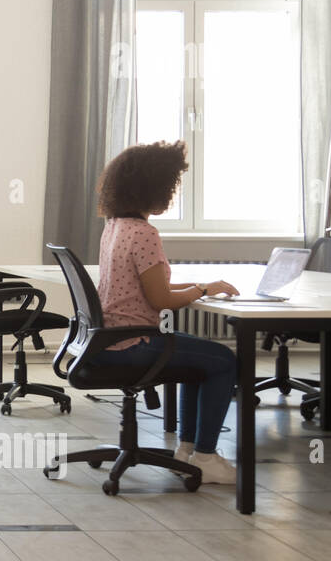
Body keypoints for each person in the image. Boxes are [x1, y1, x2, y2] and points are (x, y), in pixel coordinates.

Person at [86, 140, 240, 484]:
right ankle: (204, 455)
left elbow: (154, 292)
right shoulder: (144, 233)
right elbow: (160, 300)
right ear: (153, 188)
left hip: (108, 341)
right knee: (223, 360)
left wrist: (197, 288)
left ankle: (188, 451)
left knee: (199, 359)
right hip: (134, 345)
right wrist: (202, 289)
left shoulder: (114, 227)